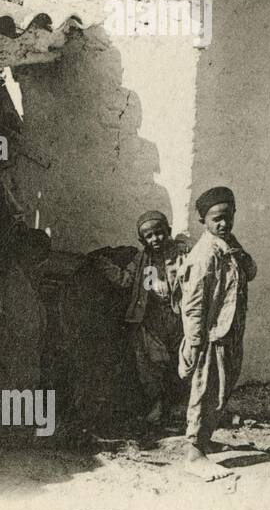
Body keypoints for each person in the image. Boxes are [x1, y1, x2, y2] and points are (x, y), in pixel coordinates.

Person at [178, 186, 257, 479]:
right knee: (206, 390)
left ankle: (205, 440)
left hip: (230, 332)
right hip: (211, 336)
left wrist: (240, 252)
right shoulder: (205, 255)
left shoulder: (229, 246)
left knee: (222, 389)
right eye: (216, 219)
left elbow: (250, 271)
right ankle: (194, 453)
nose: (223, 224)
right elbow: (194, 303)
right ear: (204, 222)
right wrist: (195, 341)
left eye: (227, 217)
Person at [98, 210, 190, 425]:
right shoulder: (141, 259)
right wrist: (103, 265)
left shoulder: (181, 254)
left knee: (182, 361)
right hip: (152, 320)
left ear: (167, 231)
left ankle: (180, 407)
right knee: (152, 363)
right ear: (142, 240)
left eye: (159, 233)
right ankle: (156, 405)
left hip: (178, 318)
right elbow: (126, 280)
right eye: (149, 236)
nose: (155, 239)